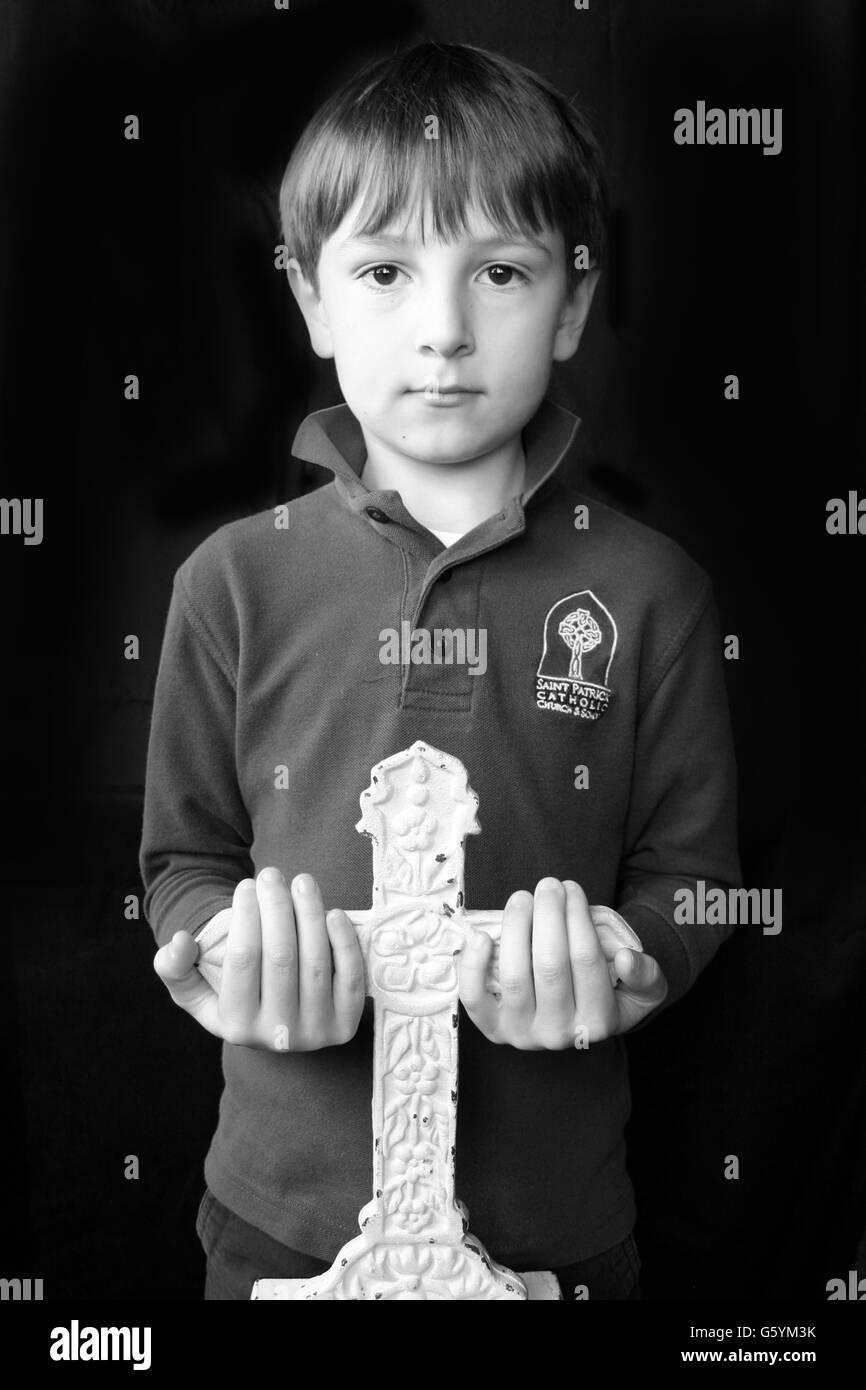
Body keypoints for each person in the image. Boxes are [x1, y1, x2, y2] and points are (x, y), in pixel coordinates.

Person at [139, 41, 741, 1301]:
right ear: (308, 300)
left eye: (503, 273)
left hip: (557, 1232)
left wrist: (626, 968)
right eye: (382, 271)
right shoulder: (230, 583)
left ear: (571, 303)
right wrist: (224, 966)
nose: (443, 331)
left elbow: (693, 883)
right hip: (276, 1223)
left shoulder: (653, 593)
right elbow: (182, 865)